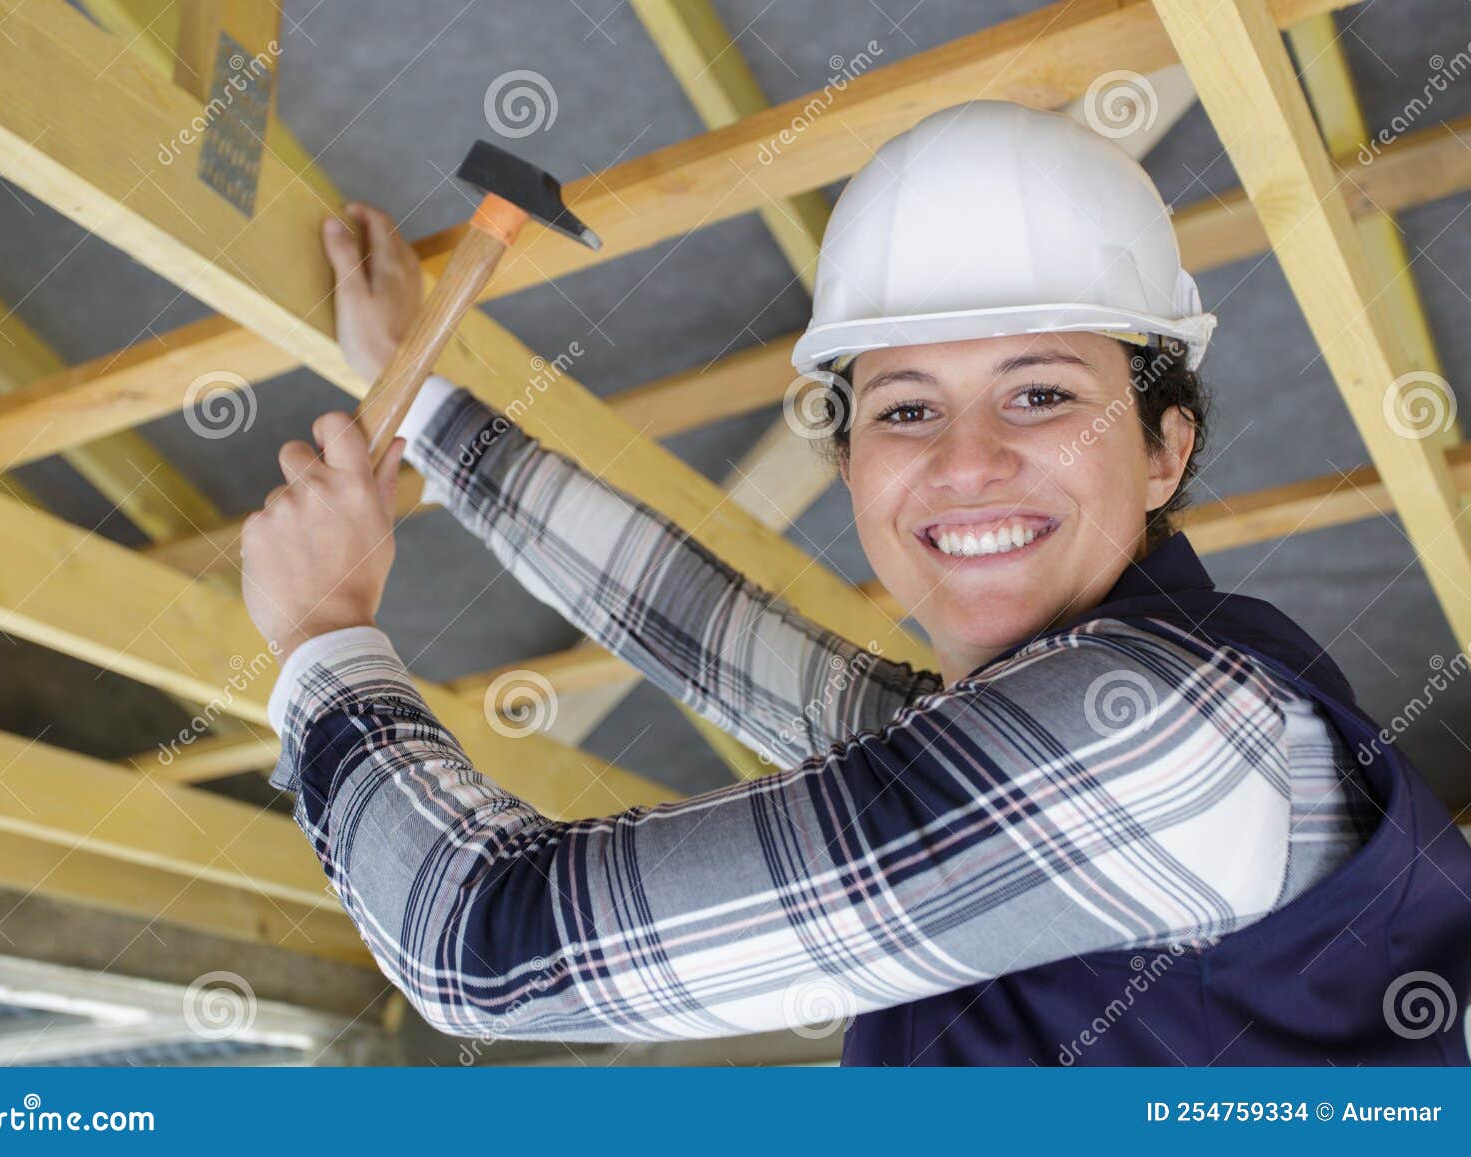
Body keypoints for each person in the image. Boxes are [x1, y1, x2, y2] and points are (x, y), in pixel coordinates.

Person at [240, 101, 1471, 1065]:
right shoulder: (1074, 717)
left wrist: (321, 635)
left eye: (1039, 391)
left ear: (1164, 450)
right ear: (850, 463)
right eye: (905, 406)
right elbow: (713, 637)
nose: (965, 460)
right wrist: (426, 409)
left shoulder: (1161, 742)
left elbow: (486, 947)